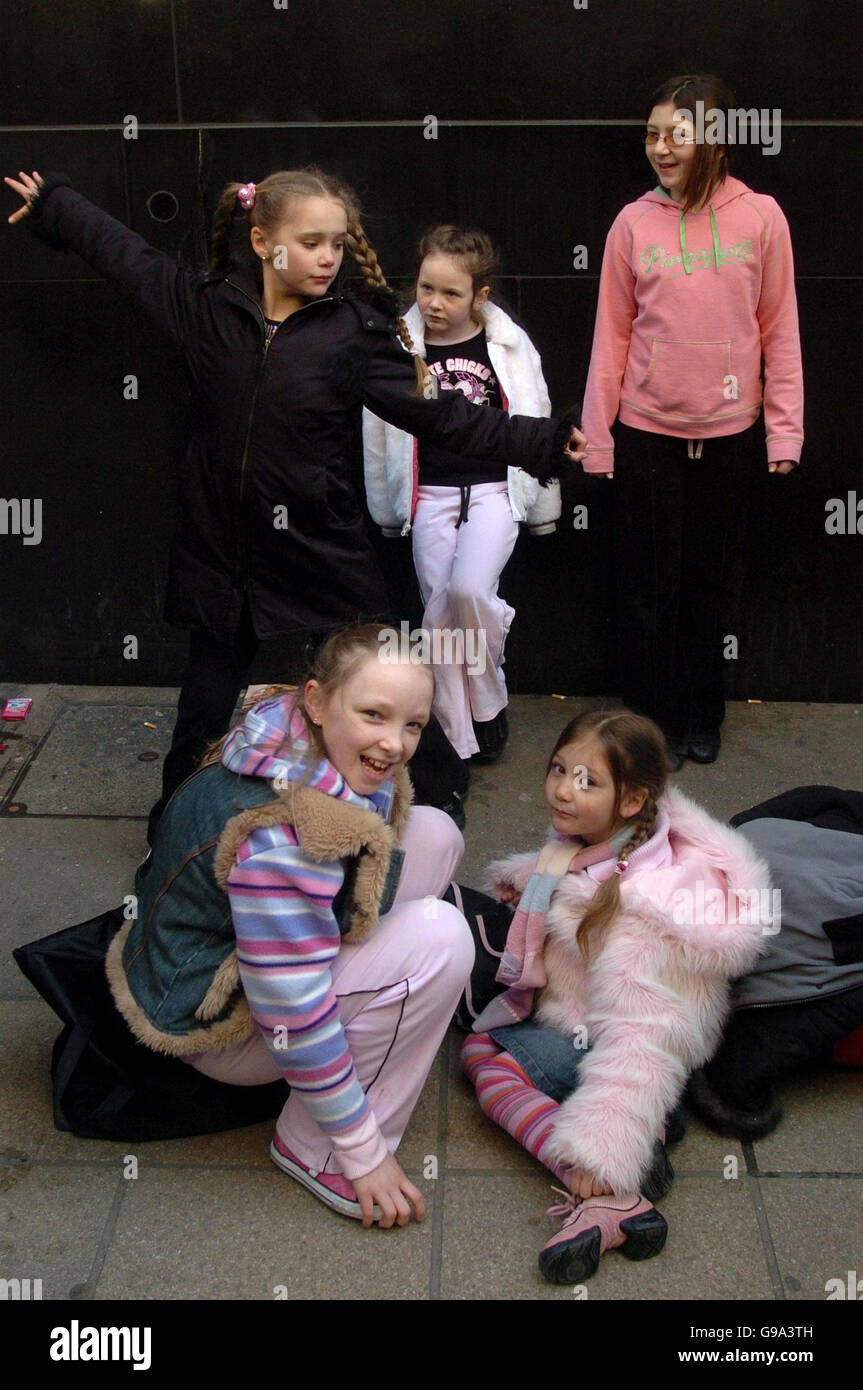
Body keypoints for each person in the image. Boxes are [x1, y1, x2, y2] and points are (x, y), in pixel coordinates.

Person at [6, 168, 585, 837]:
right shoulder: (204, 307)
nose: (326, 257)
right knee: (203, 705)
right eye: (310, 242)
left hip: (318, 544)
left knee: (382, 670)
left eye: (336, 244)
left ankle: (436, 795)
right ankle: (173, 832)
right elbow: (124, 254)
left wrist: (541, 442)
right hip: (222, 553)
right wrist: (56, 204)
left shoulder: (352, 333)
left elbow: (443, 416)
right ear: (261, 241)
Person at [102, 623, 473, 1228]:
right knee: (443, 939)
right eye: (374, 714)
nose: (395, 743)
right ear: (317, 700)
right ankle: (314, 1149)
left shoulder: (288, 734)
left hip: (215, 956)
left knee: (434, 831)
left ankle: (368, 1006)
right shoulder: (288, 840)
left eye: (412, 724)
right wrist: (362, 1150)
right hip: (217, 1022)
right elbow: (290, 1013)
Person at [459, 708, 771, 1281]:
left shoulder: (644, 909)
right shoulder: (613, 843)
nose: (561, 790)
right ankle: (651, 1130)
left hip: (616, 1044)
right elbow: (577, 876)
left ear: (631, 800)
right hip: (586, 1014)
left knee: (483, 1059)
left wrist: (601, 1156)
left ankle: (614, 1192)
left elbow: (647, 1035)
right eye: (558, 769)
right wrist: (528, 886)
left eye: (587, 781)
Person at [579, 74, 803, 769]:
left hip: (731, 434)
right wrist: (597, 440)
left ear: (713, 138)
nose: (658, 148)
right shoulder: (631, 223)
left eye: (674, 134)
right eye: (650, 134)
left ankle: (703, 714)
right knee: (647, 590)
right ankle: (651, 728)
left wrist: (784, 429)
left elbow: (779, 329)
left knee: (711, 585)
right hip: (646, 432)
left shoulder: (761, 218)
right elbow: (610, 337)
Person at [363, 226, 560, 763]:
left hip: (495, 490)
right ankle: (457, 733)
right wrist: (386, 505)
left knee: (470, 591)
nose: (434, 302)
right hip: (430, 496)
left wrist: (543, 501)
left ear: (480, 296)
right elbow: (379, 435)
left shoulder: (507, 345)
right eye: (427, 288)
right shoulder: (400, 348)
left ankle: (489, 701)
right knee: (437, 616)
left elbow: (534, 413)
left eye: (451, 293)